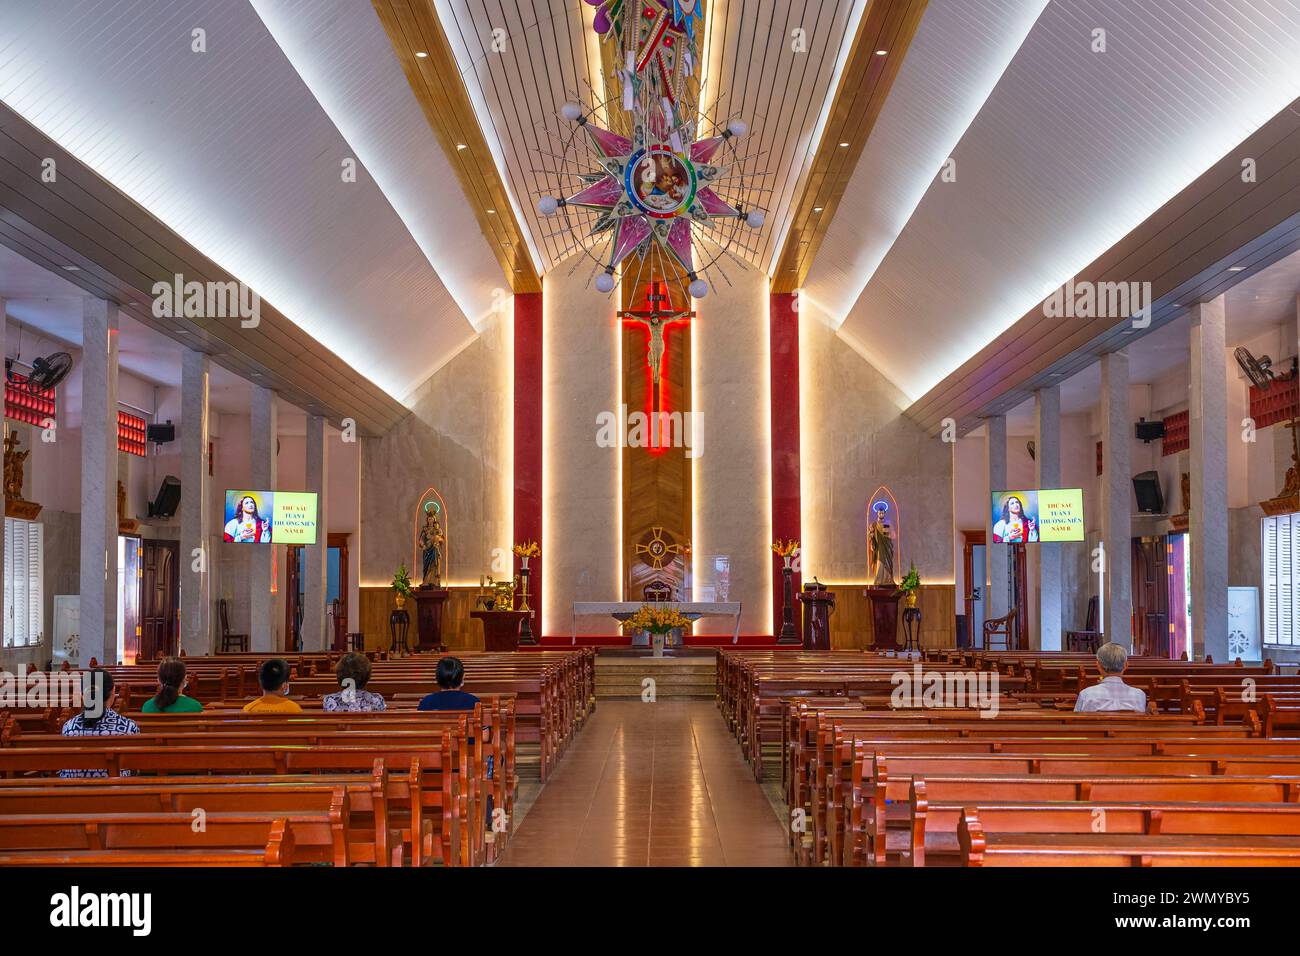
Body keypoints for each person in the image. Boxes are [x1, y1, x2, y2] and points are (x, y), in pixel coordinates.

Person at [60, 669, 140, 778]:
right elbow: (134, 767)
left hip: (74, 791)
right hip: (117, 792)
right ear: (113, 692)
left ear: (82, 695)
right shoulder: (128, 727)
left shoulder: (68, 727)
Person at [1074, 642, 1148, 713]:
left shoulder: (1086, 694)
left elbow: (1075, 722)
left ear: (1098, 666)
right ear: (1126, 665)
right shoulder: (1139, 695)